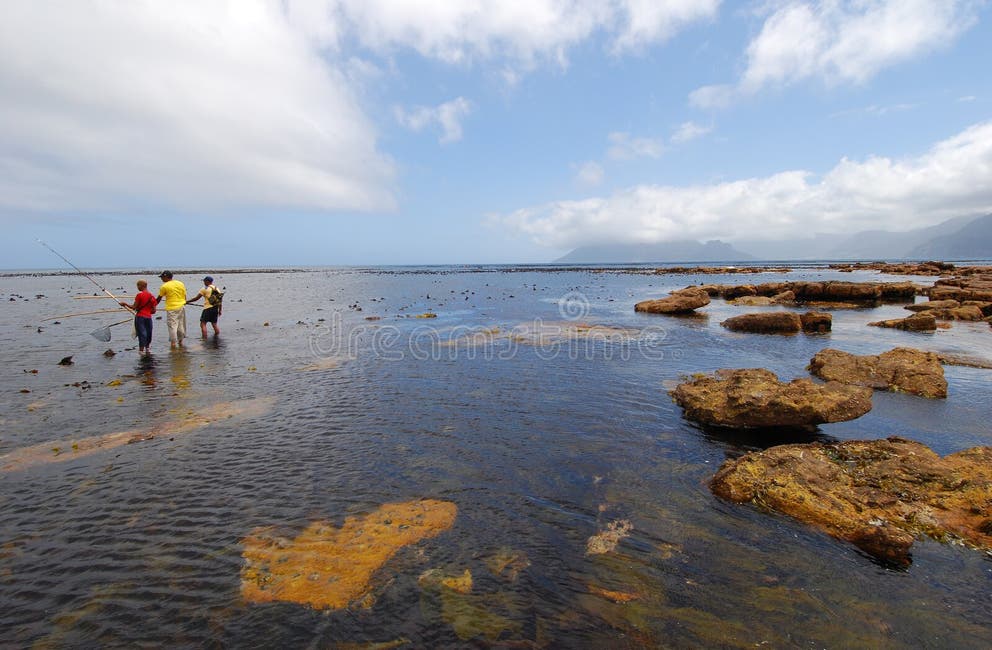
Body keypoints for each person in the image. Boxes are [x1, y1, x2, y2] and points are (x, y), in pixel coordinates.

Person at [120, 279, 156, 354]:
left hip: (140, 317)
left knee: (142, 333)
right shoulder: (152, 296)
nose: (137, 287)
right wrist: (147, 311)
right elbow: (154, 311)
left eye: (138, 285)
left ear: (141, 286)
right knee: (149, 332)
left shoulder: (139, 295)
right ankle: (147, 348)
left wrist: (125, 304)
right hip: (148, 317)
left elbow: (134, 307)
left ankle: (141, 350)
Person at [155, 270, 187, 348]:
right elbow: (185, 296)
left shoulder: (164, 286)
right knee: (181, 325)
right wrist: (183, 302)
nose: (161, 279)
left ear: (166, 277)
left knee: (172, 326)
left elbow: (159, 298)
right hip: (182, 307)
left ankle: (173, 343)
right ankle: (180, 341)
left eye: (162, 277)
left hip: (172, 308)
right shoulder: (180, 283)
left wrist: (152, 306)